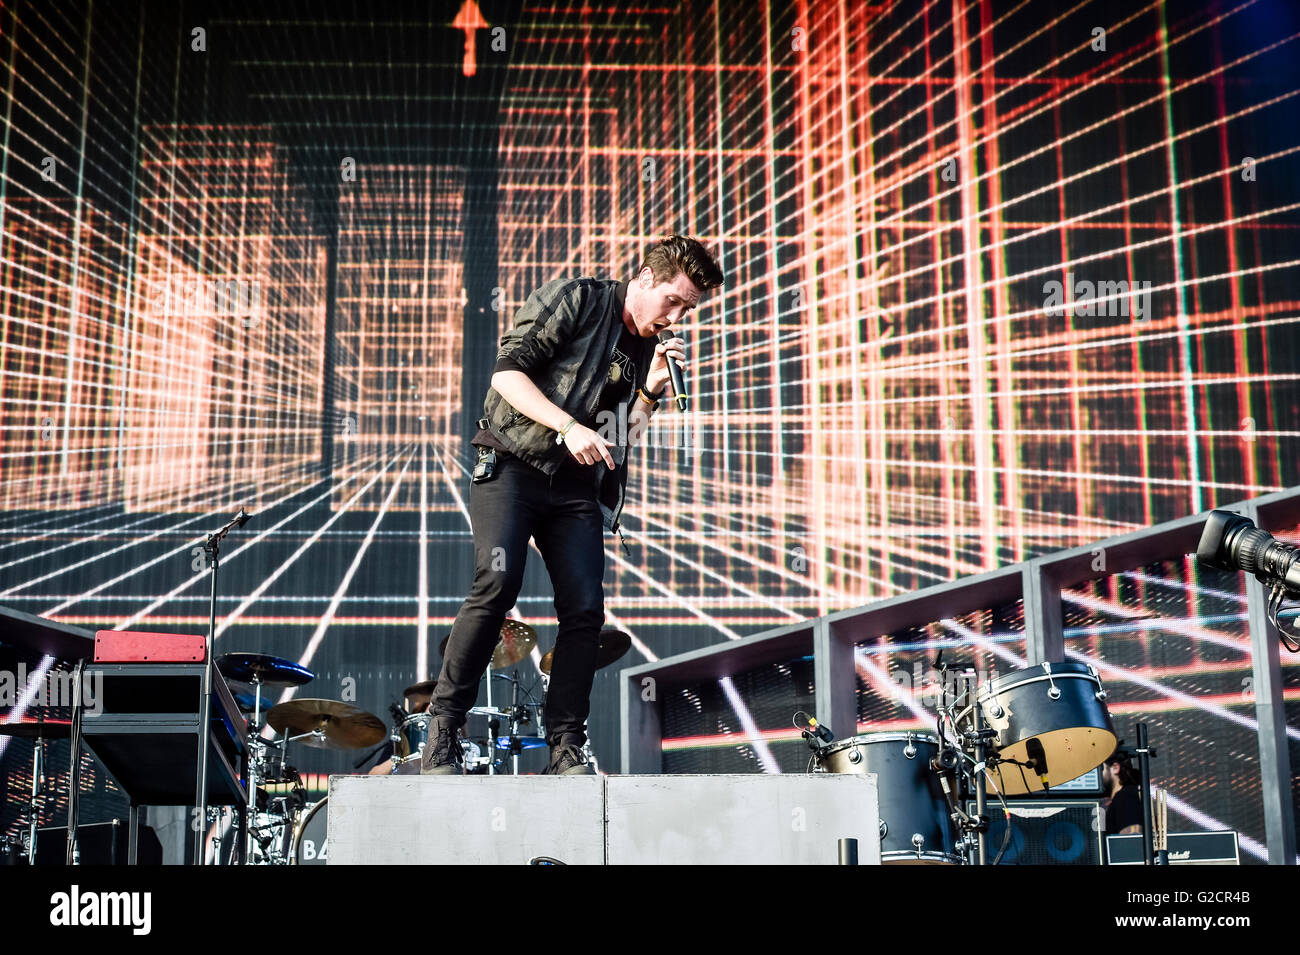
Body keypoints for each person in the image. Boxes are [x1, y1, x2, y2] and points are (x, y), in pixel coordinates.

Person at [423, 235, 724, 776]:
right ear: (645, 279)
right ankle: (443, 732)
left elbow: (617, 438)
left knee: (585, 612)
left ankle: (564, 744)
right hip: (513, 462)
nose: (678, 315)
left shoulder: (643, 349)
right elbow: (506, 374)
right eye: (674, 301)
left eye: (689, 308)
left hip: (575, 487)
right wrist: (565, 424)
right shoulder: (579, 299)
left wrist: (651, 393)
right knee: (496, 587)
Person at [1101, 748, 1143, 836]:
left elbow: (1130, 841)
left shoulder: (1125, 797)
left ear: (1115, 768)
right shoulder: (1120, 797)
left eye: (1100, 768)